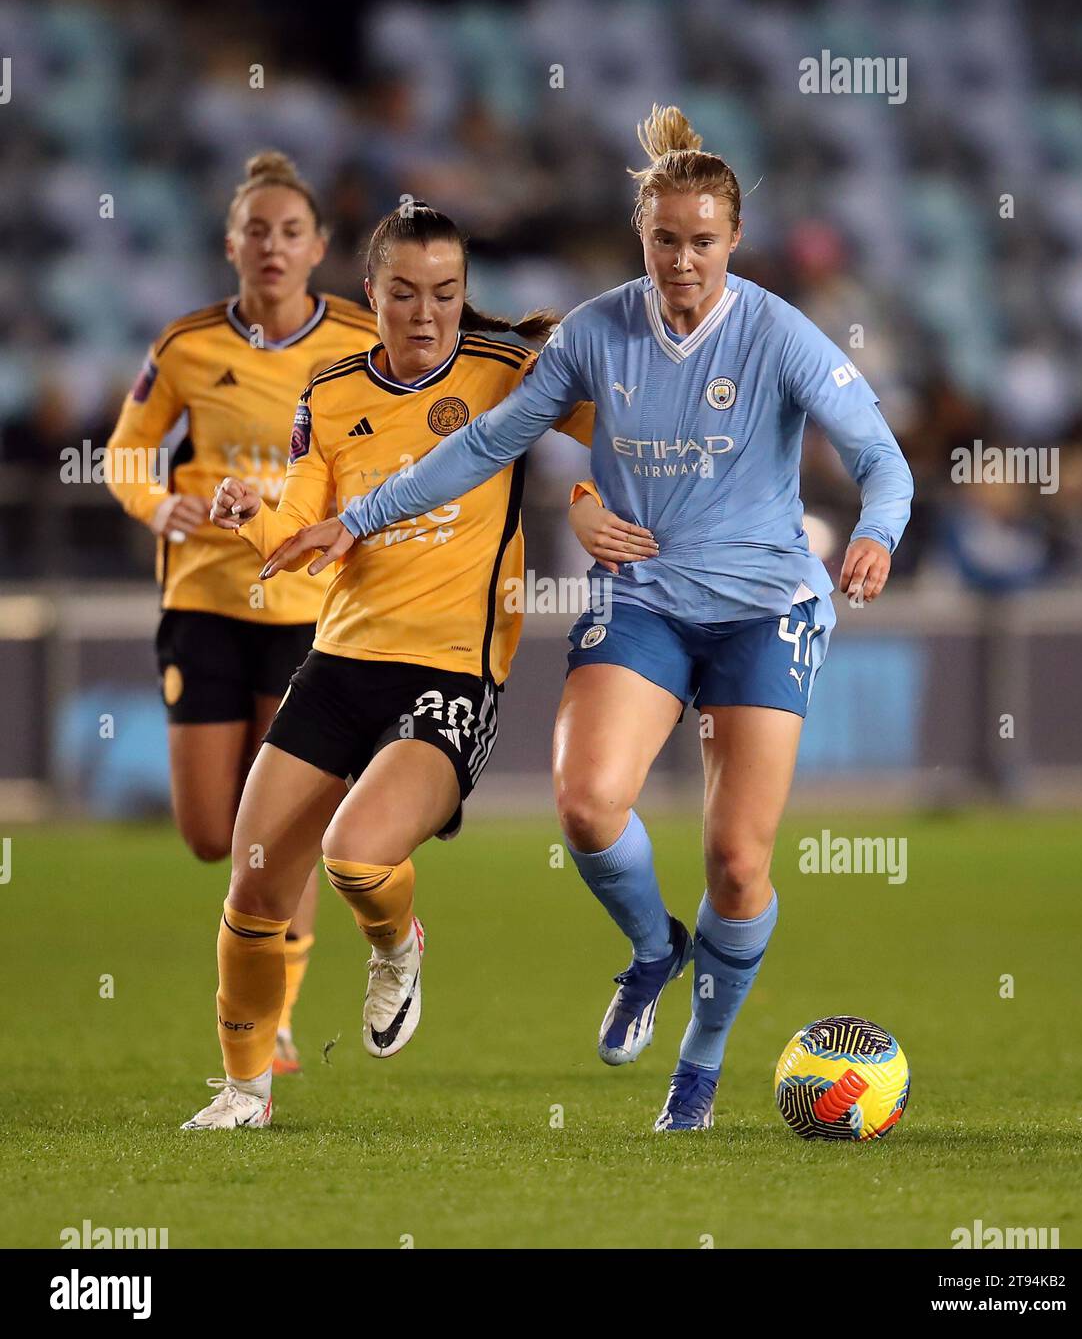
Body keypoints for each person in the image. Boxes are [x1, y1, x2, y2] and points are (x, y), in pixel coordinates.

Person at [265, 106, 915, 1132]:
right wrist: (355, 518)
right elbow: (484, 442)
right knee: (585, 803)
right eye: (666, 239)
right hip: (645, 599)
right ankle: (655, 949)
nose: (685, 260)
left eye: (704, 241)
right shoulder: (594, 335)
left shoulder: (779, 333)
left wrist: (877, 531)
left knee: (738, 860)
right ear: (642, 236)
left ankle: (697, 1071)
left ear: (733, 241)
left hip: (762, 610)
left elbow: (883, 458)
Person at [180, 202, 593, 1130]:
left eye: (446, 293)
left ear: (463, 297)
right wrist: (253, 514)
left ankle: (397, 944)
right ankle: (245, 1092)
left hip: (454, 671)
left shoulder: (507, 374)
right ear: (371, 295)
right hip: (340, 660)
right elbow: (303, 526)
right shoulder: (328, 396)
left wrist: (592, 496)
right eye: (404, 292)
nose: (426, 312)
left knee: (357, 858)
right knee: (252, 881)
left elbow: (627, 443)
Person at [105, 151, 379, 1073]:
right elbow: (127, 452)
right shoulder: (186, 347)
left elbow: (385, 441)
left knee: (280, 829)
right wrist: (157, 503)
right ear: (232, 245)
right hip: (206, 601)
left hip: (308, 612)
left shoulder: (354, 339)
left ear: (319, 247)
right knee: (208, 834)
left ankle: (280, 1015)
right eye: (256, 231)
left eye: (290, 231)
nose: (272, 246)